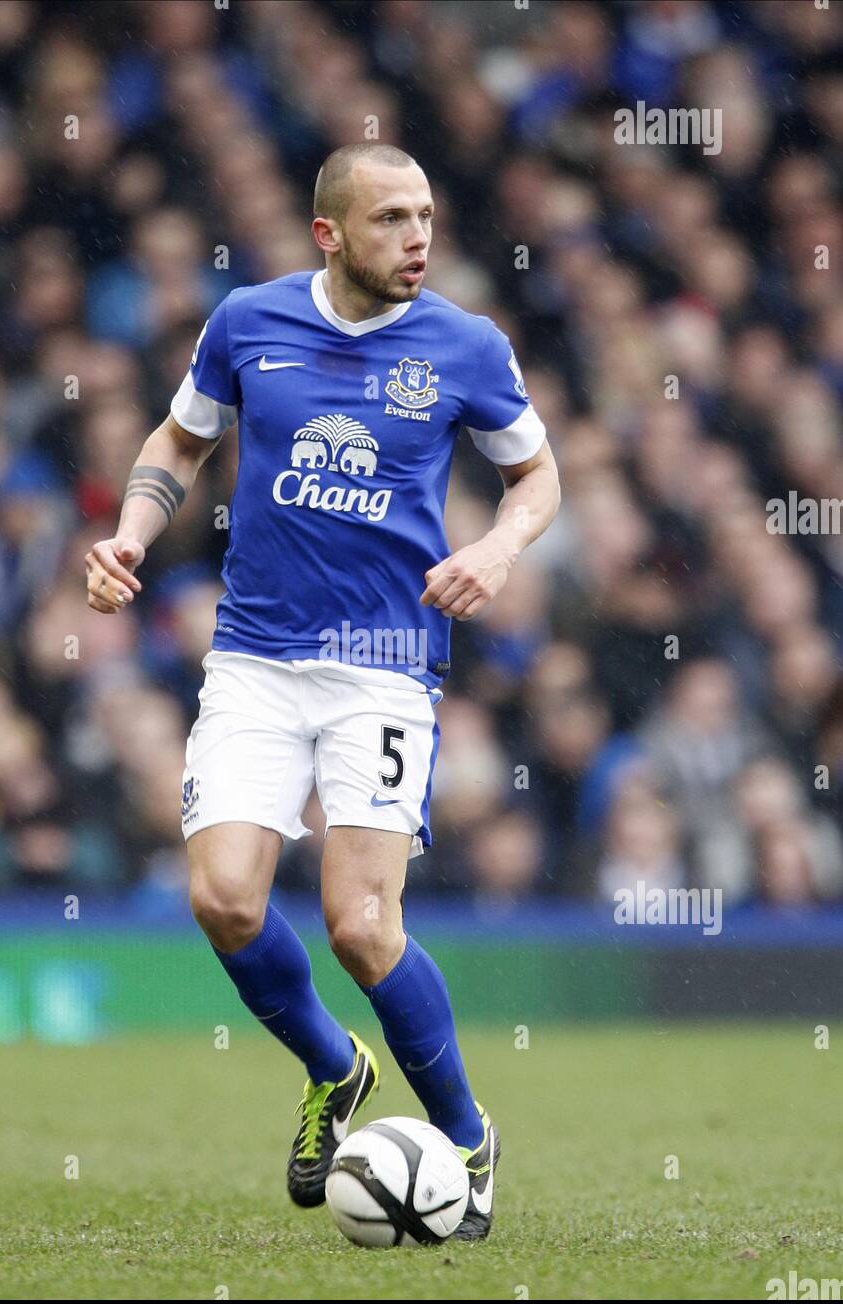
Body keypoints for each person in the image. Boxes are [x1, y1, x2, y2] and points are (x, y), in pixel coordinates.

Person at [84, 143, 560, 1240]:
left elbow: (535, 474)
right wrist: (129, 533)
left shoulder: (464, 345)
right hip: (253, 656)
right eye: (391, 218)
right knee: (223, 899)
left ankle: (467, 1137)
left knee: (358, 923)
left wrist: (494, 551)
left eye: (427, 217)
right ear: (327, 235)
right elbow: (179, 438)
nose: (418, 240)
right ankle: (332, 1065)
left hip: (383, 667)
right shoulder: (247, 323)